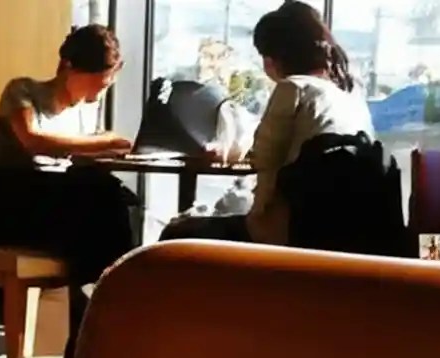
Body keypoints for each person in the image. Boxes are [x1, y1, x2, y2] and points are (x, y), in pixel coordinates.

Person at [0, 24, 137, 358]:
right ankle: (103, 316)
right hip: (7, 201)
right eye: (97, 82)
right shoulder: (22, 91)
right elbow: (32, 140)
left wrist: (106, 146)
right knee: (98, 199)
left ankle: (102, 313)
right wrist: (103, 142)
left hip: (52, 206)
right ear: (69, 68)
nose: (99, 93)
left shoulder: (84, 113)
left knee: (117, 200)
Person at [160, 0, 373, 246]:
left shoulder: (293, 89)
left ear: (273, 58)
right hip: (343, 233)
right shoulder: (351, 97)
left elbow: (263, 161)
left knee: (175, 235)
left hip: (285, 234)